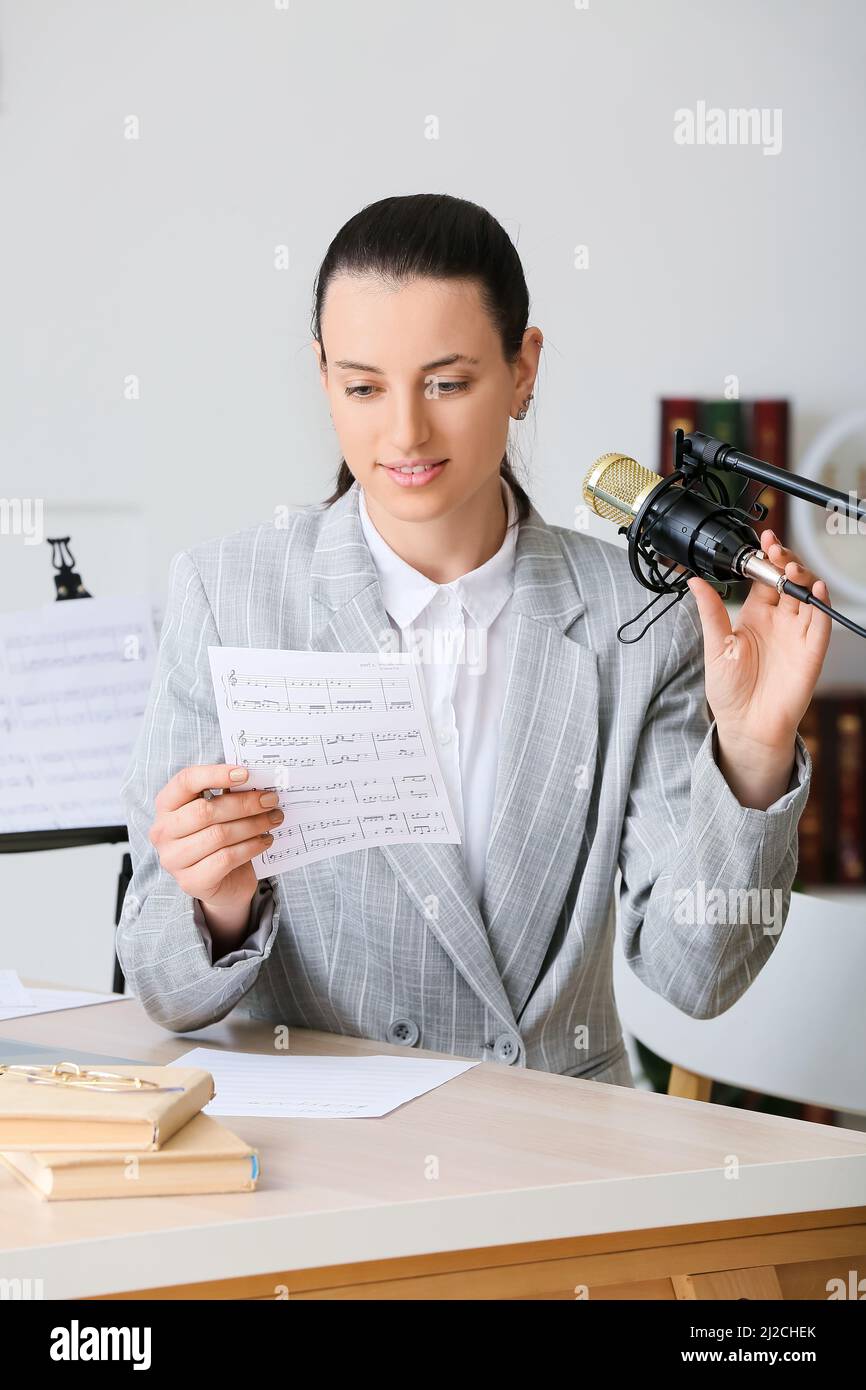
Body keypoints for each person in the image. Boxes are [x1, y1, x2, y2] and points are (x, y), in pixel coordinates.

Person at [117, 193, 830, 1088]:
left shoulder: (637, 616)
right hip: (316, 1161)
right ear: (323, 374)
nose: (406, 432)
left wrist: (754, 754)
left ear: (523, 368)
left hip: (554, 1152)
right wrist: (216, 902)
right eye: (363, 386)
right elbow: (159, 985)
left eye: (448, 383)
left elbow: (696, 978)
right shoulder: (230, 594)